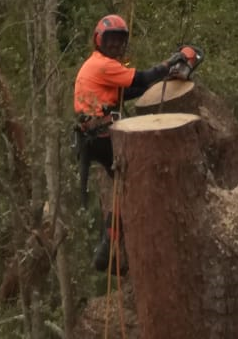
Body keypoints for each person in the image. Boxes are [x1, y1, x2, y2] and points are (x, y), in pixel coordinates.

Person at [74, 13, 197, 271]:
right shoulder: (103, 65)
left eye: (119, 42)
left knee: (123, 186)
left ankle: (112, 248)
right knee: (130, 185)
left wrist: (165, 77)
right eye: (111, 42)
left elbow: (130, 91)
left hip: (93, 137)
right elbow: (140, 78)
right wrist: (169, 64)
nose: (116, 47)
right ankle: (107, 246)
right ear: (99, 41)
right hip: (102, 136)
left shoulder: (98, 65)